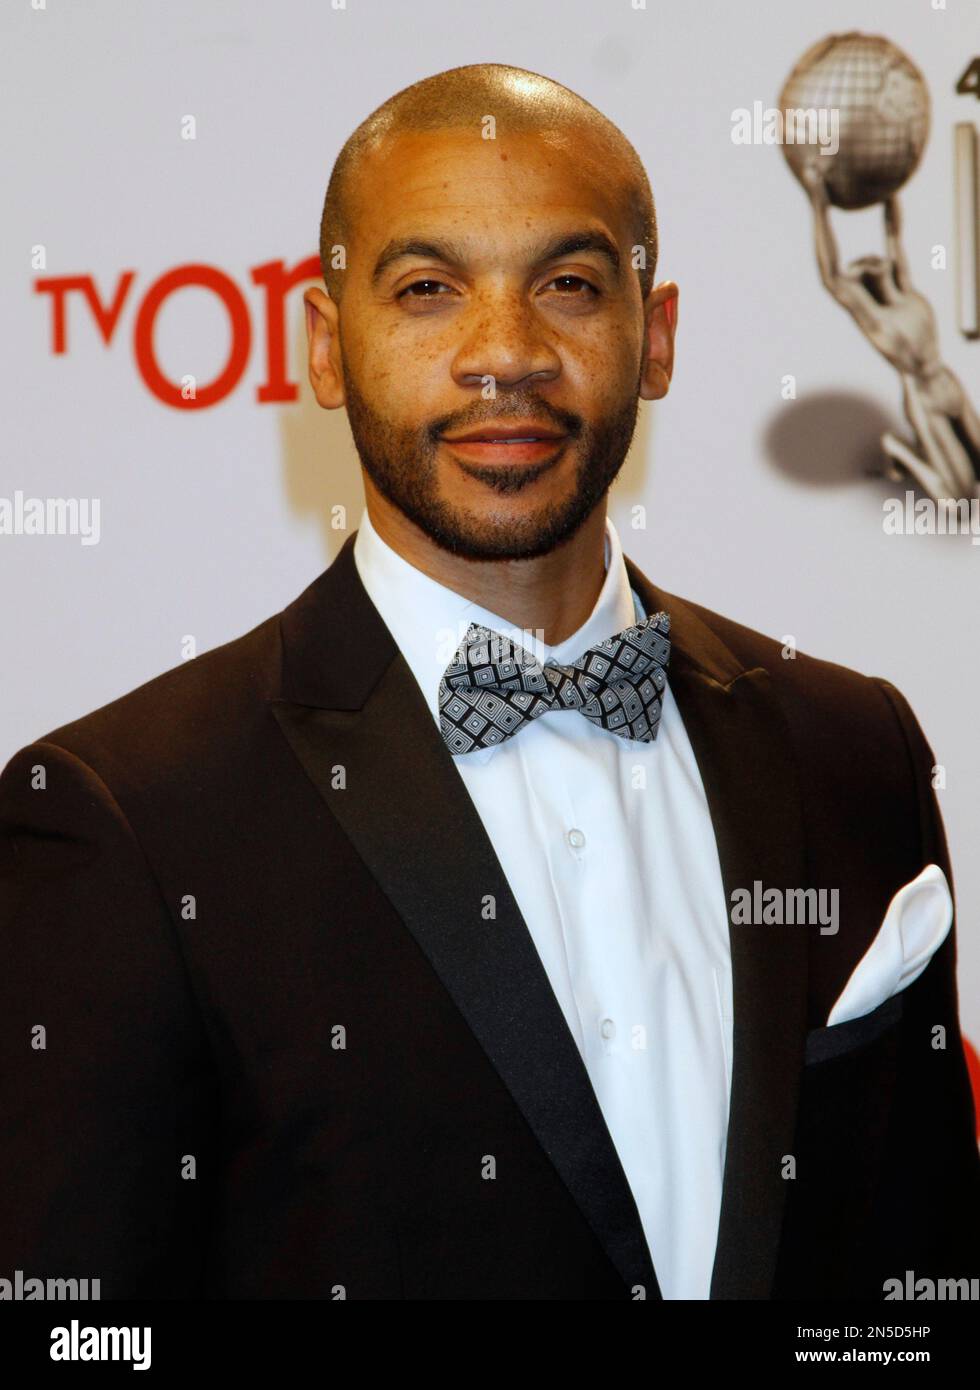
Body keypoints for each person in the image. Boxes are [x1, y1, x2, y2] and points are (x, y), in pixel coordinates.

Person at [1, 63, 978, 1302]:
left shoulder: (852, 747)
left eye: (568, 285)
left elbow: (922, 1294)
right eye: (426, 291)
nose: (504, 355)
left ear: (655, 335)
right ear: (323, 347)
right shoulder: (129, 815)